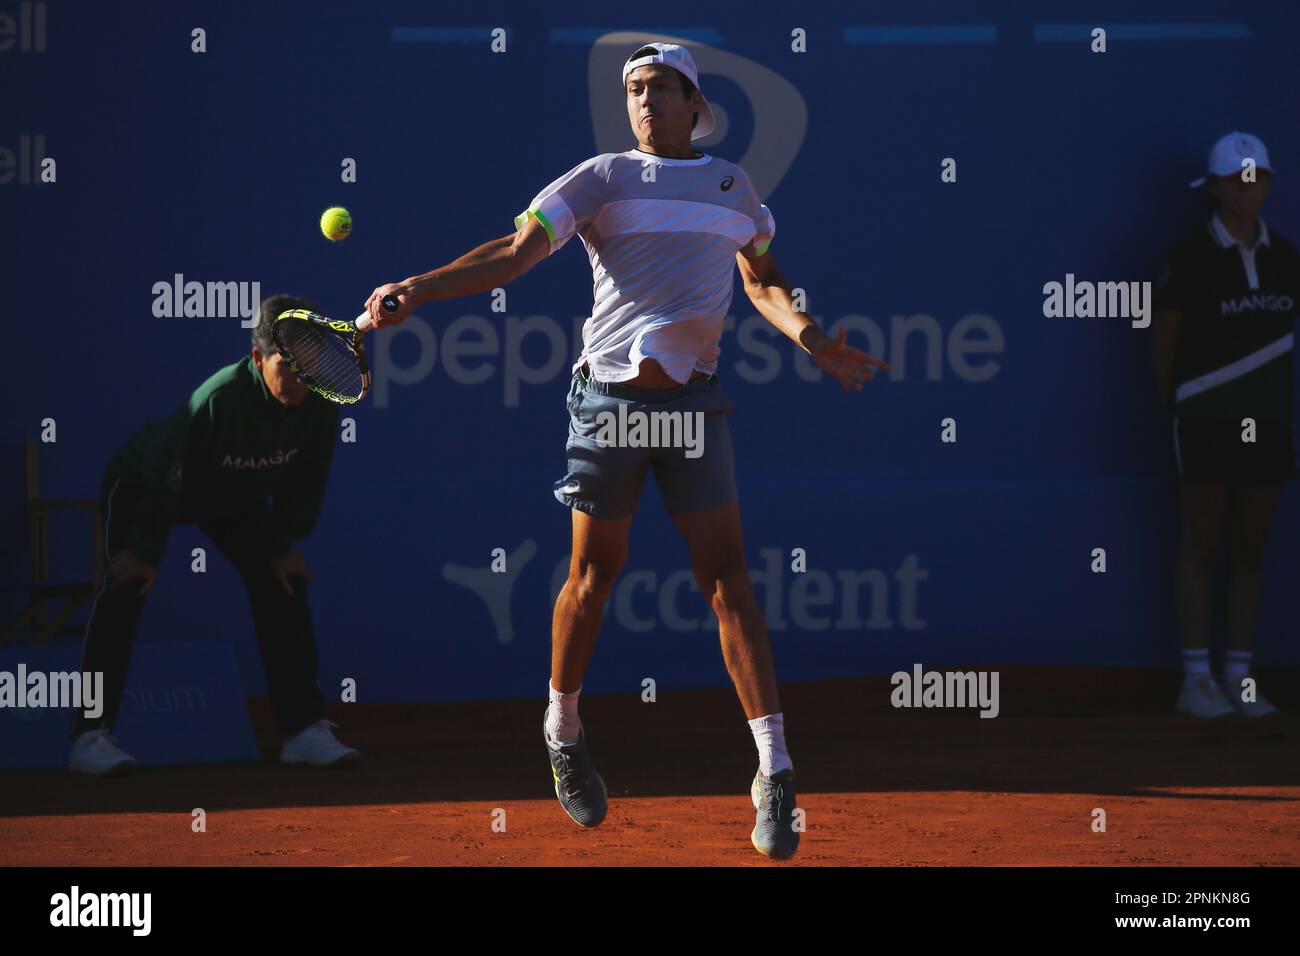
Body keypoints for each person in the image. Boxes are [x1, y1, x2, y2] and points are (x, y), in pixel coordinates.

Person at [363, 42, 885, 859]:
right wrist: (419, 288)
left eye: (660, 88)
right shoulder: (601, 177)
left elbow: (762, 280)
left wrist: (812, 338)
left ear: (694, 103)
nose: (644, 101)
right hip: (609, 405)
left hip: (694, 407)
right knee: (593, 577)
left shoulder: (733, 186)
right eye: (635, 89)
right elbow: (514, 252)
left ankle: (775, 768)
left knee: (728, 583)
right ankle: (563, 729)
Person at [68, 294, 360, 773]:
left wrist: (282, 545)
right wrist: (144, 551)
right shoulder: (219, 398)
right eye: (287, 367)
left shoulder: (320, 404)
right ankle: (89, 736)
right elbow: (166, 472)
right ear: (257, 359)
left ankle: (302, 730)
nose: (300, 379)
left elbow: (306, 486)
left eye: (308, 365)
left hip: (229, 493)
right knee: (126, 585)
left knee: (284, 580)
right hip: (149, 484)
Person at [1153, 131, 1299, 719]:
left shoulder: (1286, 257)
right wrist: (1181, 409)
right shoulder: (1188, 258)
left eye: (1257, 177)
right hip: (1206, 419)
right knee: (1202, 545)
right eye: (1237, 179)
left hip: (1269, 421)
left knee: (1250, 549)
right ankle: (1196, 680)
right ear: (1213, 187)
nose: (1248, 187)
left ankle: (1239, 676)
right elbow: (1163, 346)